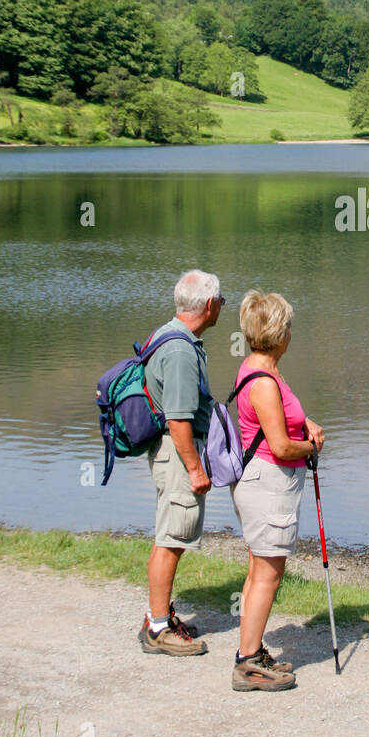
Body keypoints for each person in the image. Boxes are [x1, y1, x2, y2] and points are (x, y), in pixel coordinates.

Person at [230, 289, 324, 691]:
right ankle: (248, 663)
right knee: (268, 574)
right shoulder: (264, 381)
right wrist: (312, 447)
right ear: (278, 332)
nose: (292, 332)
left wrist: (306, 424)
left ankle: (249, 651)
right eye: (289, 326)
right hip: (268, 486)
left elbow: (281, 423)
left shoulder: (259, 368)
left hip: (262, 483)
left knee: (259, 569)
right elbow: (281, 446)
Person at [139, 269, 224, 656]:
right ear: (209, 305)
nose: (221, 307)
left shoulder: (169, 335)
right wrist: (195, 468)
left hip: (171, 453)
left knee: (169, 534)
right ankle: (158, 629)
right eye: (221, 301)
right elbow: (177, 419)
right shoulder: (179, 350)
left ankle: (160, 616)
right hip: (177, 456)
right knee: (171, 539)